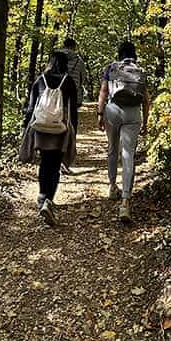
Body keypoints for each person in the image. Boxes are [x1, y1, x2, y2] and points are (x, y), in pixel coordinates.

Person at [20, 51, 77, 226]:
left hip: (41, 128)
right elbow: (73, 109)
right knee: (55, 164)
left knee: (45, 162)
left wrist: (25, 127)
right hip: (60, 127)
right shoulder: (68, 81)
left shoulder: (40, 80)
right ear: (65, 64)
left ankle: (42, 195)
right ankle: (48, 201)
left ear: (50, 62)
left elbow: (30, 108)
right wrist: (73, 129)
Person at [98, 41, 149, 223]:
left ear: (119, 54)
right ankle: (125, 201)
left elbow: (104, 91)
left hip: (113, 110)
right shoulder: (140, 70)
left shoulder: (111, 68)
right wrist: (146, 122)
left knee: (112, 149)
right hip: (133, 113)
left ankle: (112, 186)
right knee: (128, 155)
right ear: (134, 54)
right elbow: (146, 99)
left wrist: (100, 112)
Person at [59, 37, 87, 173]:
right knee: (71, 127)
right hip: (73, 98)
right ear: (74, 47)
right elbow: (82, 80)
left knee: (55, 126)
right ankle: (65, 160)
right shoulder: (79, 61)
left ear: (63, 45)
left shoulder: (55, 59)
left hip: (55, 97)